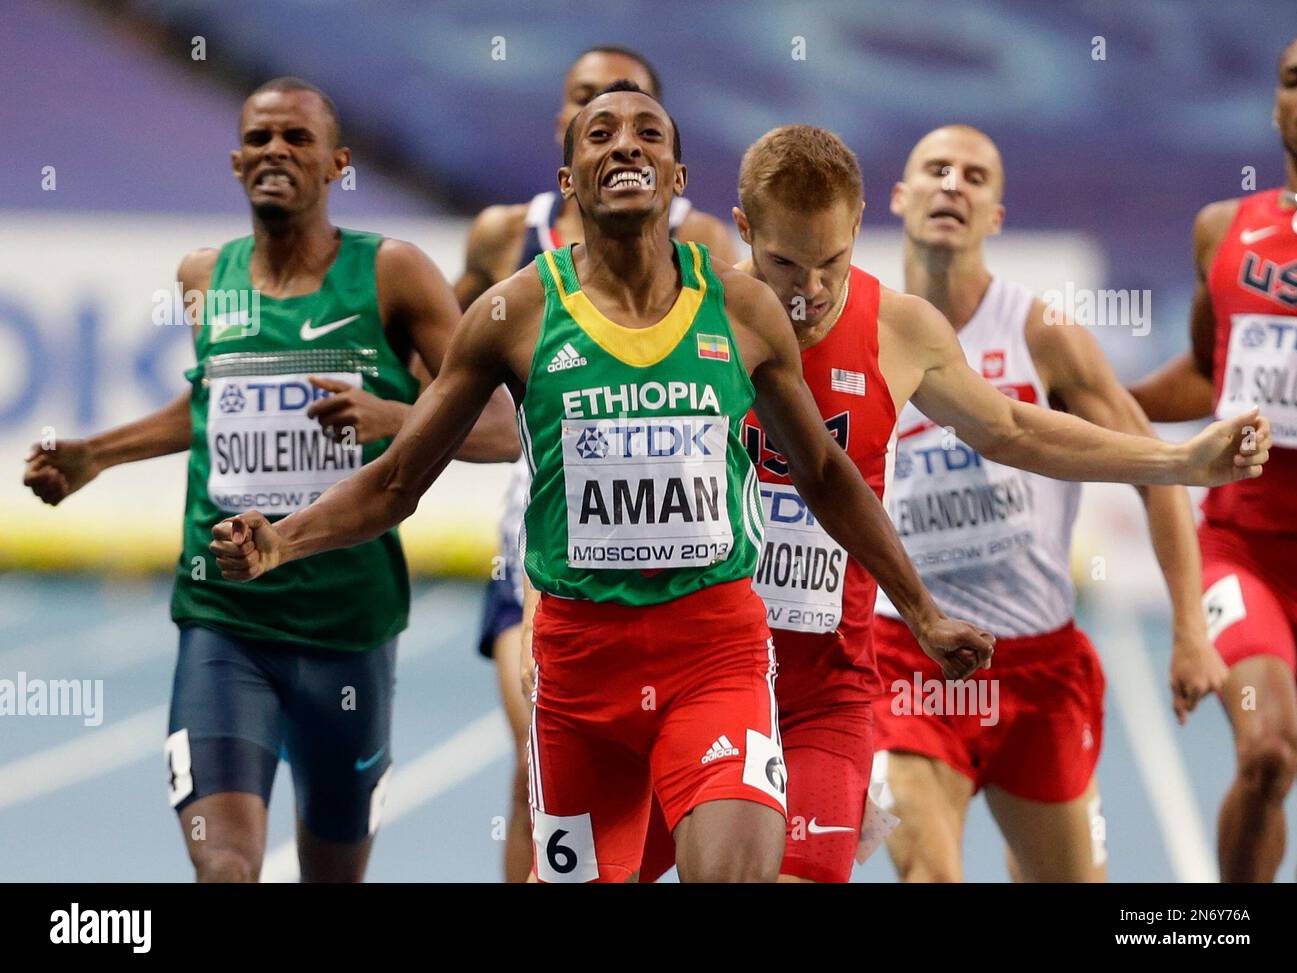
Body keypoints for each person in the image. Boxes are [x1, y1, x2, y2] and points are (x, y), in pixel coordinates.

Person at [209, 81, 1004, 883]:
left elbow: (826, 474)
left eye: (647, 132)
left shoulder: (743, 310)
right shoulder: (511, 316)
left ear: (676, 175)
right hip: (581, 682)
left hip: (715, 654)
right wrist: (282, 540)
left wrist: (924, 612)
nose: (625, 143)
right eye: (599, 133)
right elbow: (396, 482)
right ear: (568, 181)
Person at [636, 124, 1260, 884]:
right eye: (785, 266)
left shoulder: (904, 331)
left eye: (830, 264)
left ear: (861, 224)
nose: (810, 293)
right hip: (711, 670)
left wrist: (1179, 460)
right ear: (744, 231)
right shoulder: (688, 315)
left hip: (835, 688)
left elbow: (1013, 427)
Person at [23, 77, 519, 883]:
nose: (275, 153)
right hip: (226, 623)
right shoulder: (202, 277)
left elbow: (503, 426)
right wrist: (98, 454)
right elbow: (213, 404)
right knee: (225, 868)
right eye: (259, 139)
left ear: (338, 164)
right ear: (235, 161)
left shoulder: (392, 273)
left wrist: (395, 415)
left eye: (296, 138)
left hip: (347, 631)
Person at [455, 45, 736, 883]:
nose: (619, 136)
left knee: (670, 795)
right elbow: (449, 362)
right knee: (532, 763)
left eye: (641, 116)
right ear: (565, 135)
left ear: (670, 152)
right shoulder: (508, 234)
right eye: (591, 110)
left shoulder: (706, 245)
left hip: (681, 581)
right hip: (537, 551)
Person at [1129, 34, 1297, 882]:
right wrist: (1103, 406)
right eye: (1296, 81)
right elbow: (1206, 374)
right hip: (1242, 551)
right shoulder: (1224, 230)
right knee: (1267, 750)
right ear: (1276, 105)